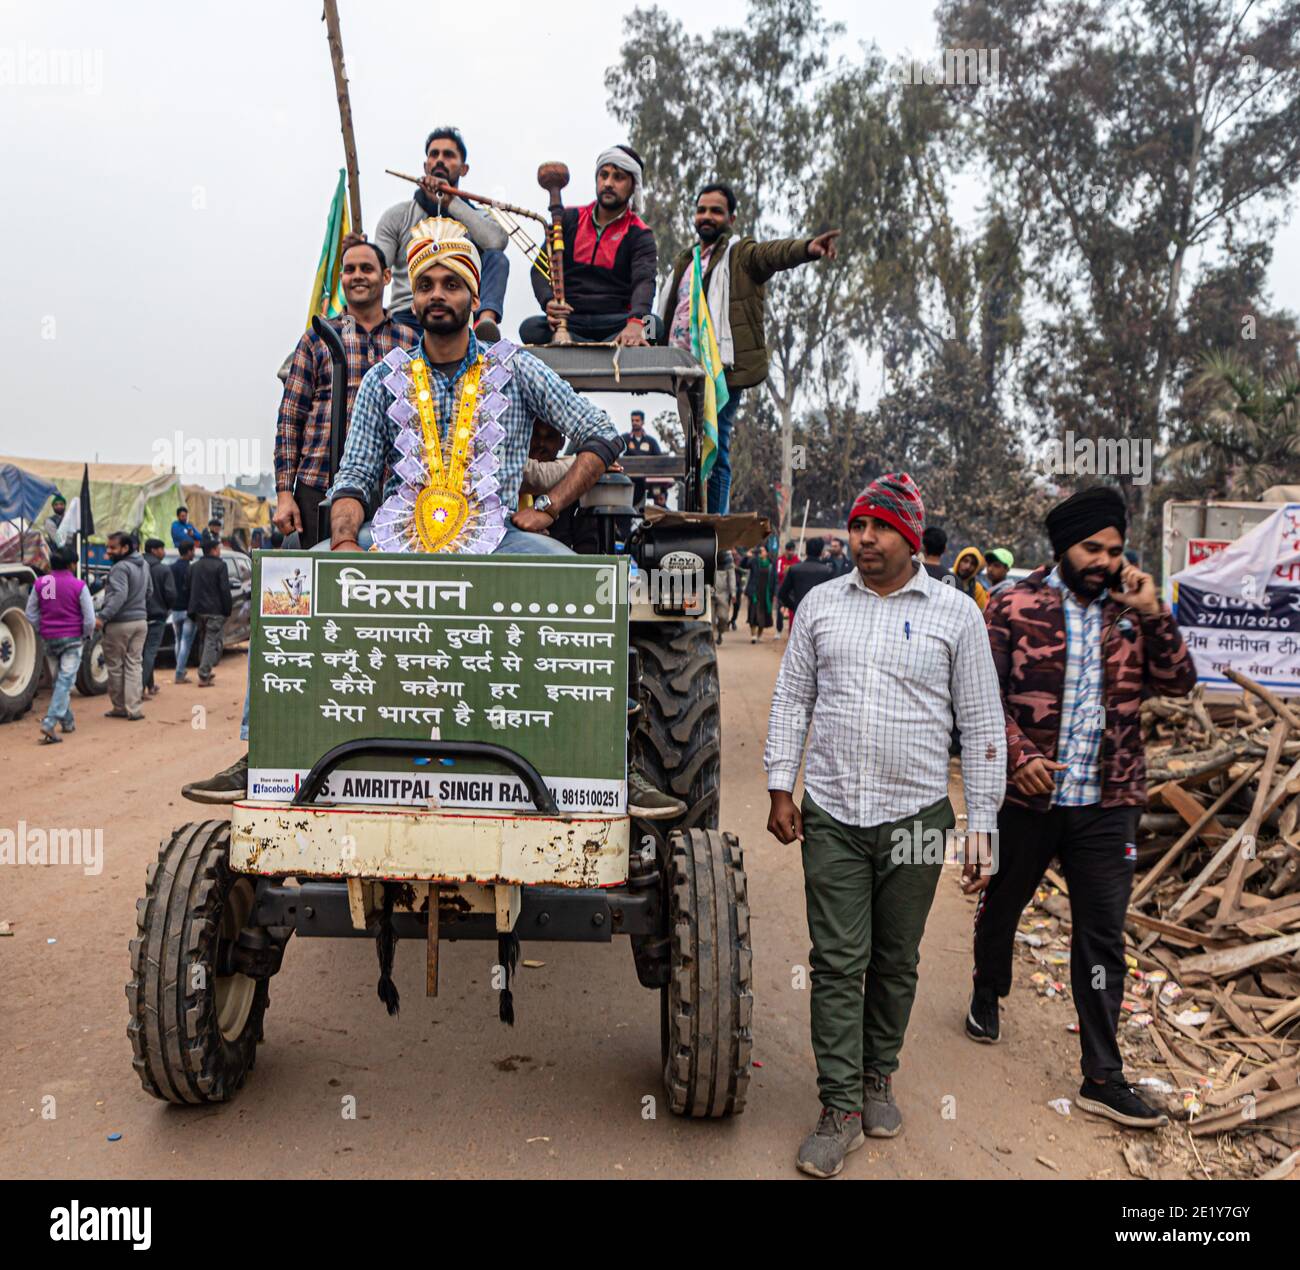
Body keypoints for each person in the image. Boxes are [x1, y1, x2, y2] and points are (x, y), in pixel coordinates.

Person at [184, 216, 680, 820]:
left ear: (474, 296)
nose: (437, 296)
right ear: (412, 297)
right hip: (396, 535)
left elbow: (599, 433)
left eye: (450, 284)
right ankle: (260, 753)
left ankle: (620, 766)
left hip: (496, 537)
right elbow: (354, 479)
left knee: (589, 595)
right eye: (426, 285)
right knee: (291, 589)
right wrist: (343, 543)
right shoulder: (383, 380)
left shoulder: (515, 367)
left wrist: (549, 508)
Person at [765, 472, 1005, 1178]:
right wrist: (783, 784)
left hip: (920, 816)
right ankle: (839, 1107)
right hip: (834, 812)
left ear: (910, 535)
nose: (862, 539)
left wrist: (980, 825)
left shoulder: (956, 614)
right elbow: (792, 699)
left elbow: (984, 724)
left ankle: (878, 1077)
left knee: (896, 960)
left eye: (878, 527)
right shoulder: (819, 606)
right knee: (838, 961)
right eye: (856, 526)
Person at [968, 486, 1196, 1130]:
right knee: (1003, 901)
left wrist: (1153, 611)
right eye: (1091, 548)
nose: (1103, 561)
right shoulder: (1014, 602)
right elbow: (982, 698)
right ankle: (988, 986)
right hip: (1029, 798)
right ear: (1062, 545)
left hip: (1108, 801)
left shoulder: (1132, 611)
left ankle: (1102, 1074)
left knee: (1101, 936)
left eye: (1114, 550)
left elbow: (1181, 684)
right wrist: (1019, 759)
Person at [658, 182, 840, 514]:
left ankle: (715, 529)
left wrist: (807, 248)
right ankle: (697, 519)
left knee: (717, 441)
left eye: (716, 211)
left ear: (731, 218)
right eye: (701, 210)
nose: (707, 216)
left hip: (724, 369)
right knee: (694, 448)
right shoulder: (686, 260)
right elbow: (671, 310)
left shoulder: (740, 254)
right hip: (685, 368)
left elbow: (771, 254)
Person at [274, 235, 419, 547]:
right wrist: (285, 494)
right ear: (341, 279)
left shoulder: (409, 342)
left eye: (366, 268)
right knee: (326, 582)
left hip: (392, 488)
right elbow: (290, 419)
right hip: (319, 484)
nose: (357, 276)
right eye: (349, 269)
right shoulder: (318, 338)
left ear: (386, 276)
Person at [374, 126, 509, 337]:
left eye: (448, 155)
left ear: (464, 169)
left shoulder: (478, 217)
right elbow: (378, 268)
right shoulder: (397, 216)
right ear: (425, 165)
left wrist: (450, 202)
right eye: (433, 154)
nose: (439, 160)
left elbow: (497, 243)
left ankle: (485, 324)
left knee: (497, 257)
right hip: (407, 316)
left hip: (459, 314)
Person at [521, 145, 660, 347]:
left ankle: (584, 347)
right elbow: (540, 270)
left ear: (633, 186)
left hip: (618, 321)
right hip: (569, 322)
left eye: (618, 177)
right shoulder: (568, 219)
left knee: (654, 326)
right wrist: (548, 302)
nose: (608, 183)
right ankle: (603, 347)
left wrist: (636, 321)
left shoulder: (639, 233)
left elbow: (644, 281)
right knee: (529, 328)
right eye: (604, 175)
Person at [25, 546, 95, 743]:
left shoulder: (41, 583)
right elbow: (89, 618)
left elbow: (30, 614)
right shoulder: (78, 585)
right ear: (72, 565)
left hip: (49, 639)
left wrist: (43, 628)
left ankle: (68, 722)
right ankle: (49, 722)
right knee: (65, 682)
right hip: (72, 639)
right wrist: (85, 635)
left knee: (59, 682)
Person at [97, 531, 152, 721]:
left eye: (113, 547)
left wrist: (102, 617)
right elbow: (149, 591)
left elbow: (119, 595)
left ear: (125, 548)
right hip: (140, 622)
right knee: (134, 665)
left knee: (115, 666)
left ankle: (120, 707)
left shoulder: (120, 568)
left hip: (119, 624)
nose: (108, 551)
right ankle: (134, 708)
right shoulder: (144, 564)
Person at [189, 536, 231, 687]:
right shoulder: (221, 566)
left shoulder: (195, 566)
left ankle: (204, 668)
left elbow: (189, 588)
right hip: (215, 611)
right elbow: (225, 590)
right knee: (211, 641)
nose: (220, 551)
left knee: (203, 639)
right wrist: (227, 609)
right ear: (213, 550)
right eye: (218, 549)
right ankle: (204, 674)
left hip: (199, 611)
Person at [141, 538, 177, 699]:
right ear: (154, 550)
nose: (163, 552)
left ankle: (150, 685)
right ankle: (139, 689)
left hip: (138, 615)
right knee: (150, 652)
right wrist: (167, 607)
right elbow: (171, 594)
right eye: (162, 549)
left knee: (141, 653)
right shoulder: (163, 570)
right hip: (157, 615)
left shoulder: (137, 566)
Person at [777, 536, 836, 626]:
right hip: (820, 615)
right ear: (821, 552)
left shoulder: (794, 569)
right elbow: (833, 597)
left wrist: (795, 606)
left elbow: (782, 593)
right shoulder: (828, 571)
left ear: (806, 551)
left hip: (800, 614)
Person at [169, 538, 197, 682]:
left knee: (178, 641)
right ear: (189, 551)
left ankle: (179, 670)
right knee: (185, 642)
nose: (194, 553)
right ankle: (179, 673)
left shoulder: (171, 568)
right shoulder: (191, 568)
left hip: (175, 609)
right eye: (193, 550)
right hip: (188, 610)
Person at [621, 409, 661, 505]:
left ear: (643, 422)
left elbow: (659, 459)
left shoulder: (651, 441)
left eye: (637, 420)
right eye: (632, 420)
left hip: (646, 482)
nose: (634, 423)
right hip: (627, 481)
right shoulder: (624, 438)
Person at [744, 543, 775, 641]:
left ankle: (759, 635)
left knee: (763, 614)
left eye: (762, 551)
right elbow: (744, 565)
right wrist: (746, 556)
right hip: (754, 592)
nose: (760, 553)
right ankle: (753, 635)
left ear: (767, 552)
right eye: (759, 551)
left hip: (766, 593)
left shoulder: (771, 564)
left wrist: (774, 593)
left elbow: (775, 579)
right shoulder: (754, 561)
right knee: (753, 613)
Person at [775, 540, 800, 637]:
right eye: (789, 550)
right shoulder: (780, 560)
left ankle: (791, 630)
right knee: (779, 609)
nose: (791, 552)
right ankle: (778, 630)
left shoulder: (797, 560)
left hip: (792, 589)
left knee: (792, 610)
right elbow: (778, 573)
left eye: (792, 550)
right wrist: (786, 571)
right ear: (786, 550)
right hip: (782, 587)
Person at [713, 549, 737, 644]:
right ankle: (712, 637)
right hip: (709, 592)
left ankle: (720, 632)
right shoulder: (707, 554)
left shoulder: (728, 560)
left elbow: (732, 578)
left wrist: (733, 593)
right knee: (709, 619)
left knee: (723, 617)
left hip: (722, 593)